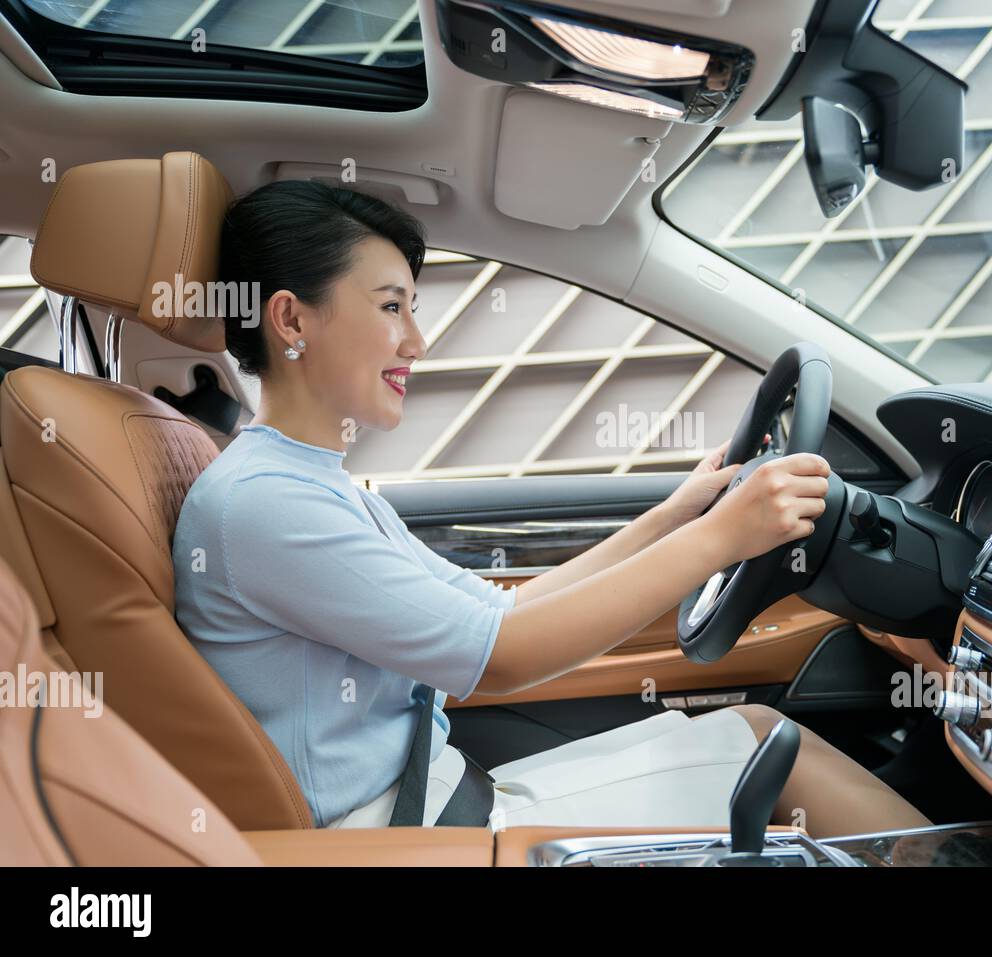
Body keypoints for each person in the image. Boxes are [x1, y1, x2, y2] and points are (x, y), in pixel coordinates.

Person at [172, 181, 928, 838]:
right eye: (392, 306)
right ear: (292, 320)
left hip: (439, 802)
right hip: (412, 832)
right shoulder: (267, 504)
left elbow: (503, 609)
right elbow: (504, 658)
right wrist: (724, 535)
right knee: (766, 744)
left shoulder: (308, 485)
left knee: (750, 738)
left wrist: (674, 518)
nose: (418, 340)